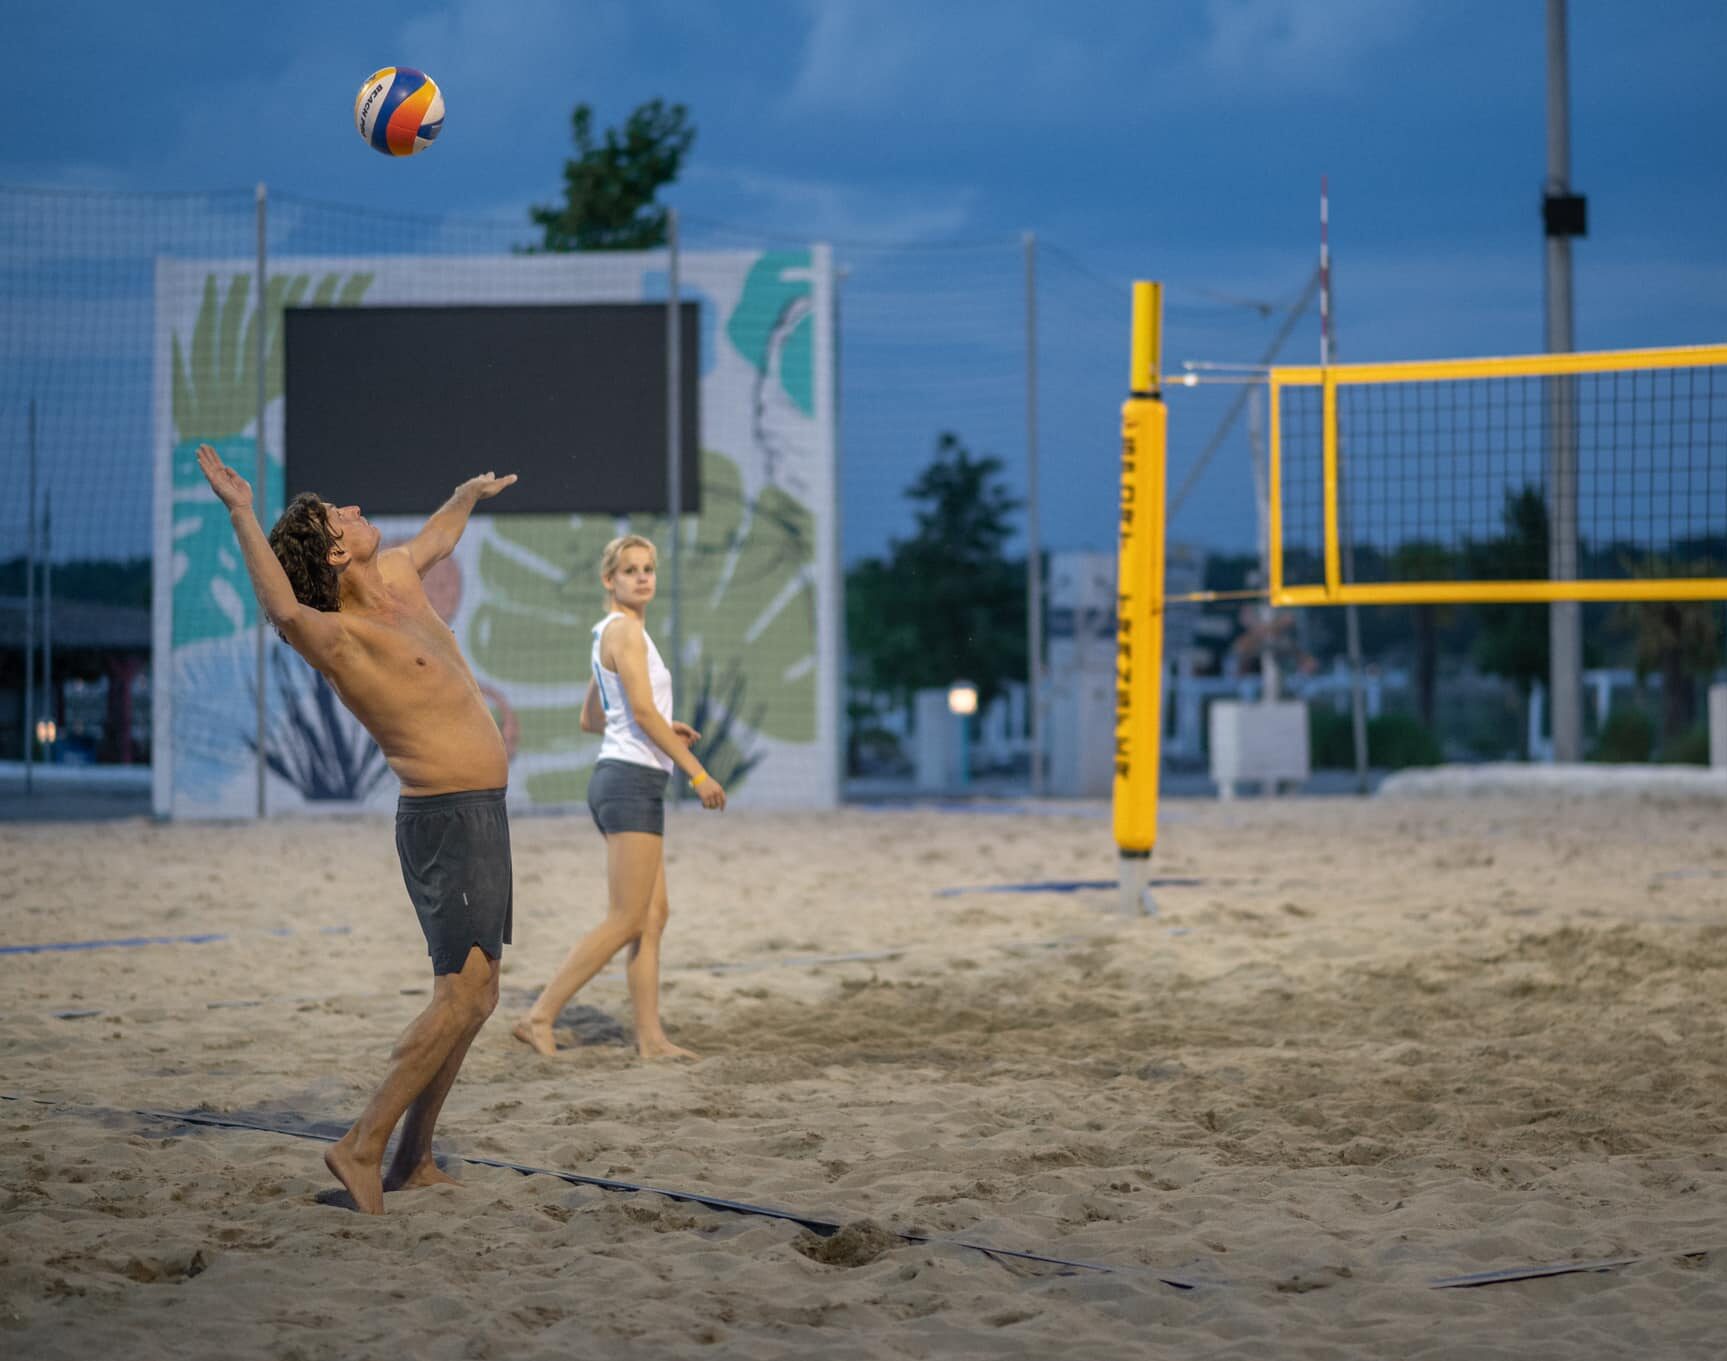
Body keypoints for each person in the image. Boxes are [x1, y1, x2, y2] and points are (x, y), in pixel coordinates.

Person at [195, 442, 517, 1214]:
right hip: (445, 819)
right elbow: (282, 610)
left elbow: (438, 534)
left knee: (476, 994)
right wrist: (243, 512)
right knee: (462, 998)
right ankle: (362, 1145)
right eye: (341, 514)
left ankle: (415, 1155)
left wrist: (466, 492)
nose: (357, 511)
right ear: (335, 550)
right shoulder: (345, 640)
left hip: (480, 813)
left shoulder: (402, 575)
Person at [512, 534, 724, 1061]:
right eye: (630, 570)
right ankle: (539, 1015)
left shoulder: (610, 633)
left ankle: (651, 1040)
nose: (643, 577)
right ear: (609, 580)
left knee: (652, 917)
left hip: (626, 778)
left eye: (649, 568)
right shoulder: (626, 631)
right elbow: (643, 714)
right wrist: (697, 774)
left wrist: (650, 722)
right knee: (627, 918)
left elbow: (591, 718)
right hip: (629, 782)